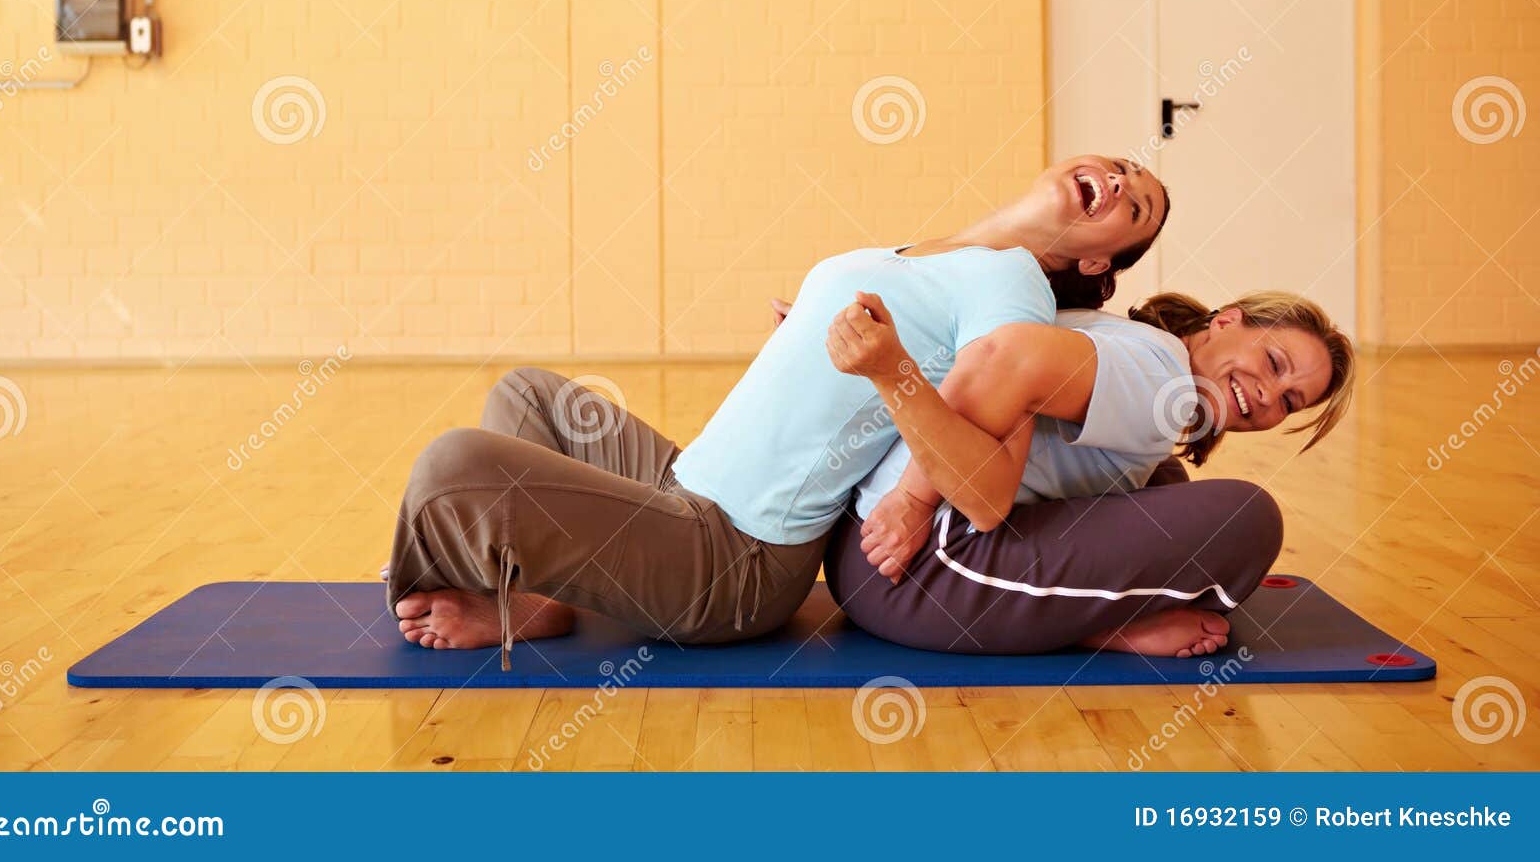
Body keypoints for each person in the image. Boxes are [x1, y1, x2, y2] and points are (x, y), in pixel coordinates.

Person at [385, 156, 1169, 664]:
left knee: (453, 468)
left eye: (1136, 206)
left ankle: (502, 596)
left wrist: (886, 366)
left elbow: (987, 492)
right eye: (1127, 169)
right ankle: (544, 595)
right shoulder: (945, 250)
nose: (1122, 181)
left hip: (735, 556)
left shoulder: (1016, 288)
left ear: (1097, 258)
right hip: (685, 482)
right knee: (529, 393)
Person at [820, 290, 1354, 658]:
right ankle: (1098, 628)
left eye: (1290, 401)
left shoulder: (1139, 347)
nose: (1267, 395)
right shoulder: (1158, 377)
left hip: (865, 550)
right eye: (1275, 363)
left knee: (1165, 480)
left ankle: (1085, 615)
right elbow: (1009, 357)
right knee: (1247, 517)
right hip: (912, 570)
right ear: (1227, 320)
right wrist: (912, 500)